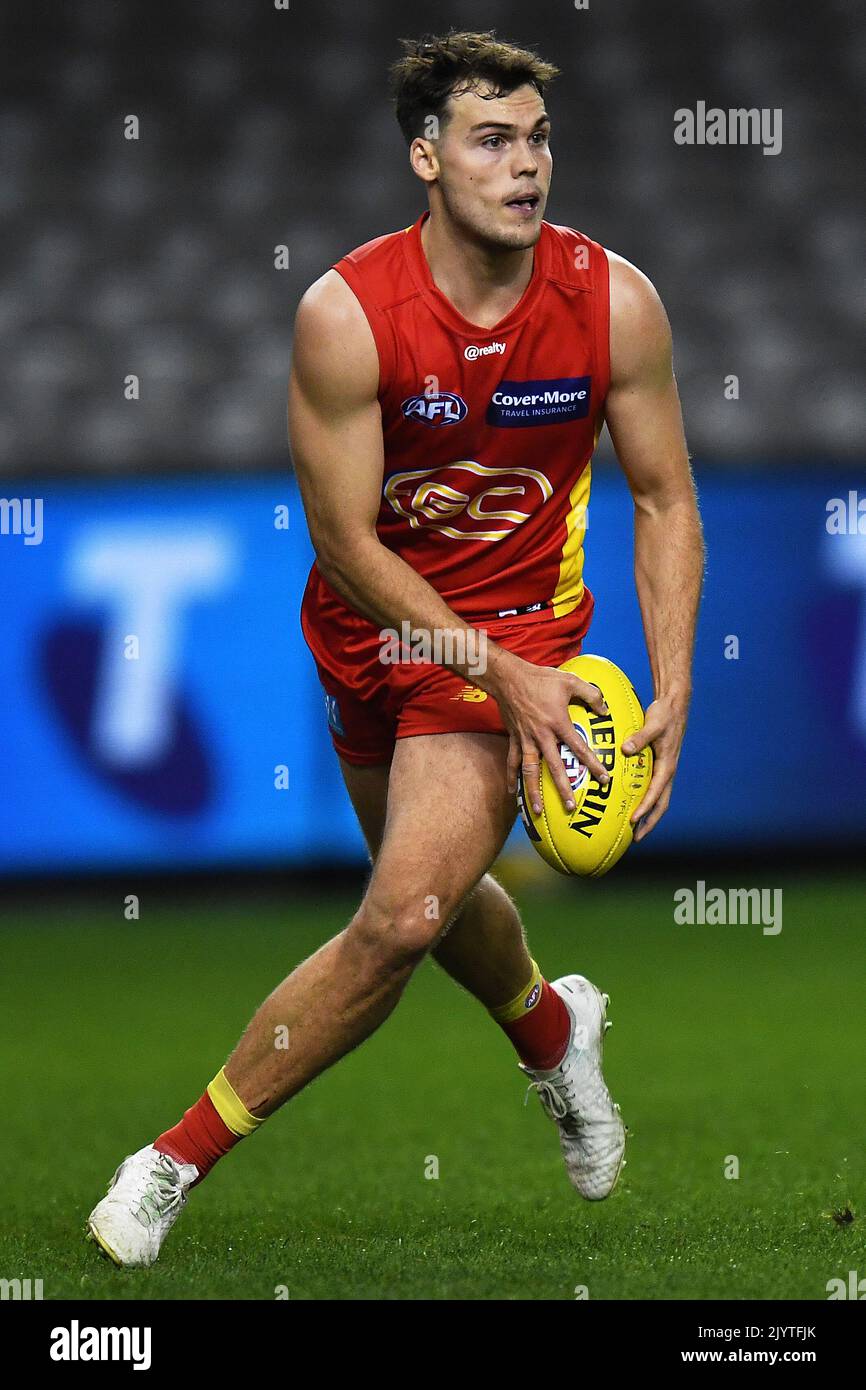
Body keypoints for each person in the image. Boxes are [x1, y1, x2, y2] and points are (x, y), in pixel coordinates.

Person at [87, 29, 703, 1268]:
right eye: (490, 140)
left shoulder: (613, 302)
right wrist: (485, 664)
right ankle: (551, 1033)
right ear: (425, 158)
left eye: (536, 139)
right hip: (375, 631)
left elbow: (663, 498)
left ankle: (167, 1162)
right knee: (431, 902)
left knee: (397, 915)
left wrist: (675, 680)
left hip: (522, 633)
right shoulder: (346, 316)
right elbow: (345, 541)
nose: (524, 165)